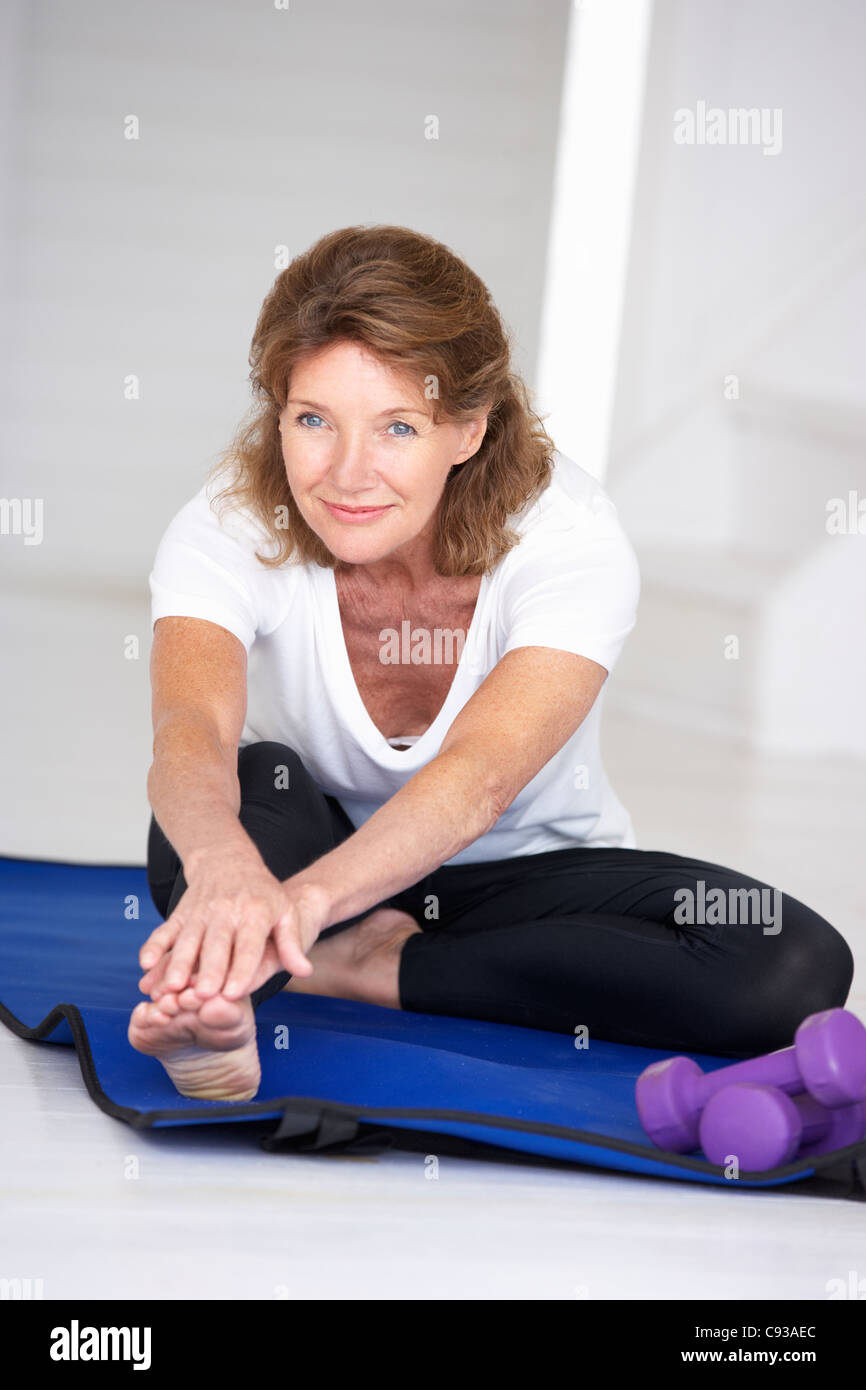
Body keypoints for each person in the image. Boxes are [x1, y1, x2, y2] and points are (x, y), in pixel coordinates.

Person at [129, 224, 854, 1102]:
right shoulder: (231, 520)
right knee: (247, 784)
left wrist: (307, 912)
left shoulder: (568, 535)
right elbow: (190, 727)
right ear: (277, 413)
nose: (347, 474)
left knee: (793, 962)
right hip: (298, 838)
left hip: (511, 873)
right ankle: (254, 947)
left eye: (397, 426)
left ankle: (352, 967)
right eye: (312, 419)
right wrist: (226, 870)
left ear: (467, 428)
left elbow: (478, 780)